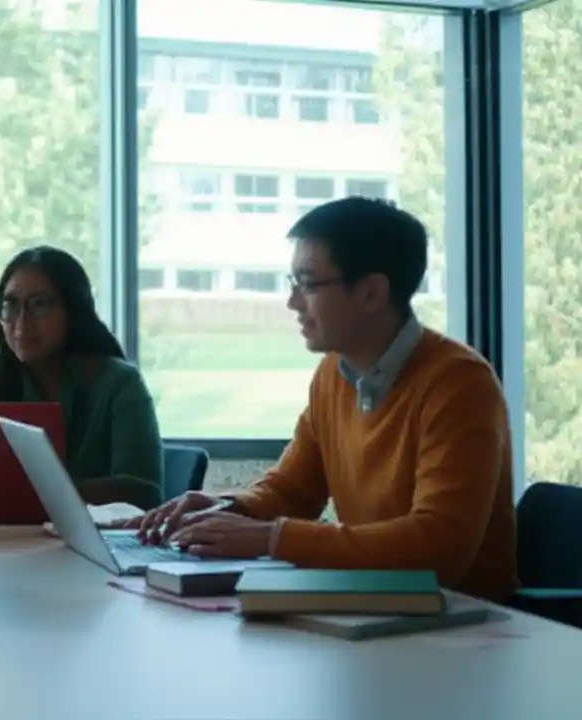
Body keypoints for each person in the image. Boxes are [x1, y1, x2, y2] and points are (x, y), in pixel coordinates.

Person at [136, 197, 517, 602]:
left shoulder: (458, 384)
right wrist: (228, 509)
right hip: (375, 610)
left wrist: (272, 539)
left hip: (467, 624)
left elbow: (440, 547)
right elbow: (292, 492)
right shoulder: (334, 376)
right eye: (292, 283)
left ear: (372, 293)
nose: (293, 303)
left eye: (309, 284)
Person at [0, 245, 163, 509]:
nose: (22, 323)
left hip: (94, 545)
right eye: (10, 306)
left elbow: (144, 494)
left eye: (39, 305)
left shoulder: (119, 384)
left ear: (74, 310)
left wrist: (28, 493)